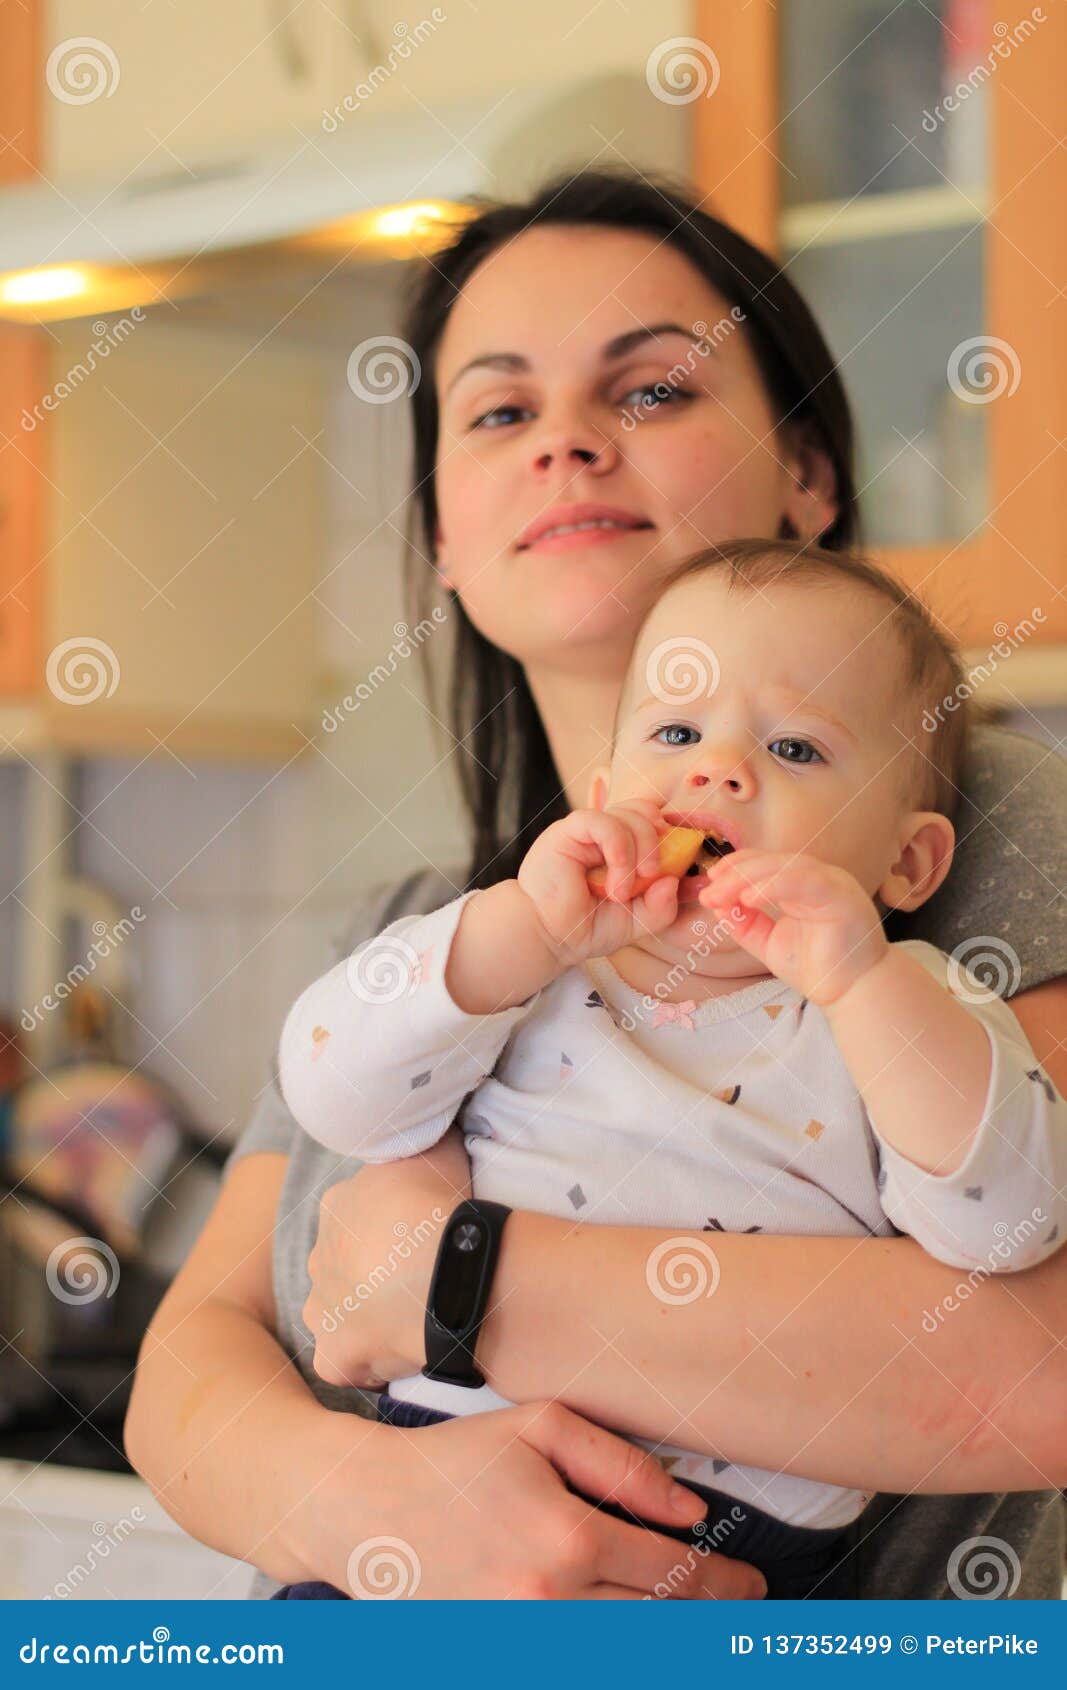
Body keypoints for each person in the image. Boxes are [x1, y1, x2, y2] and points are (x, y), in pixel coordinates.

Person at [125, 170, 1067, 1602]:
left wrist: (452, 1281)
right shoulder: (421, 929)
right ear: (444, 530)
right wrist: (374, 1501)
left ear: (806, 477)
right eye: (498, 412)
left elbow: (1033, 1363)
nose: (563, 441)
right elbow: (188, 1368)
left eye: (650, 391)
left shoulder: (980, 827)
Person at [274, 539, 1067, 1600]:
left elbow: (1005, 1224)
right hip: (445, 1489)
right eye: (677, 733)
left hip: (741, 1551)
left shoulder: (903, 1007)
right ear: (600, 796)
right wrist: (517, 927)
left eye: (793, 749)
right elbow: (330, 1093)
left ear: (905, 861)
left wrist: (862, 981)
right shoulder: (521, 971)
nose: (718, 770)